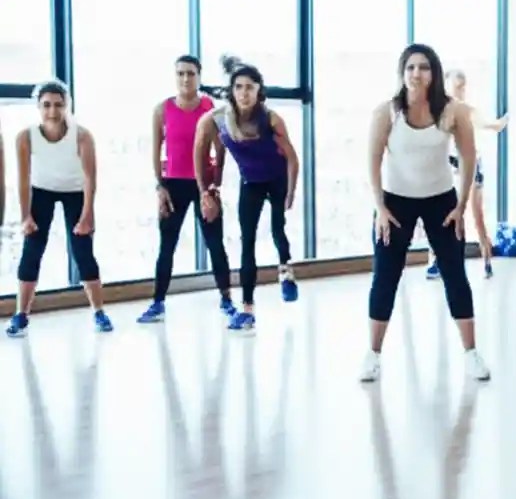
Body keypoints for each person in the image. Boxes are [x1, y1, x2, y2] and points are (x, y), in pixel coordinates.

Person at [363, 44, 489, 382]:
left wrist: (461, 206)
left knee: (455, 275)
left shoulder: (452, 112)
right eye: (410, 68)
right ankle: (372, 354)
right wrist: (380, 209)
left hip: (441, 202)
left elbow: (468, 157)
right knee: (385, 277)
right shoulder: (386, 113)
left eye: (424, 67)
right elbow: (372, 162)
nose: (416, 74)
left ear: (434, 73)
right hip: (395, 203)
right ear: (402, 74)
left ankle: (471, 353)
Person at [192, 56, 300, 334]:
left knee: (278, 227)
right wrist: (206, 191)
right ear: (231, 91)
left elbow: (292, 158)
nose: (244, 93)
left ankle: (286, 271)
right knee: (247, 242)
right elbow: (200, 152)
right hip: (250, 183)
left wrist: (291, 191)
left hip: (276, 180)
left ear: (259, 90)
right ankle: (248, 309)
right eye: (239, 87)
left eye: (250, 87)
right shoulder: (216, 120)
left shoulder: (271, 119)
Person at [6, 80, 113, 338]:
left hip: (75, 192)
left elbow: (90, 179)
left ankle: (98, 311)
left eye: (58, 105)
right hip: (41, 191)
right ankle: (21, 314)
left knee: (82, 252)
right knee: (32, 251)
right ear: (38, 107)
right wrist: (25, 217)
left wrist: (88, 214)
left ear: (67, 106)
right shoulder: (25, 136)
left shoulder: (82, 136)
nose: (52, 111)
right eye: (46, 105)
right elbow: (23, 179)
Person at [137, 55, 235, 323]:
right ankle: (157, 302)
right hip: (173, 185)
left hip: (203, 184)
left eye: (190, 73)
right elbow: (157, 152)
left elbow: (220, 147)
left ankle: (227, 299)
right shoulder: (161, 110)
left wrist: (213, 186)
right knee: (167, 246)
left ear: (199, 77)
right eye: (180, 73)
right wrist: (160, 186)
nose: (185, 79)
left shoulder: (210, 108)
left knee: (215, 243)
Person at [424, 68, 508, 281]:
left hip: (470, 166)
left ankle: (487, 259)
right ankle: (436, 261)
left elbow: (492, 125)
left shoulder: (465, 110)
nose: (460, 91)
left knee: (476, 215)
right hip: (448, 166)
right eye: (456, 86)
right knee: (441, 214)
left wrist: (504, 120)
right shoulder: (438, 109)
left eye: (463, 87)